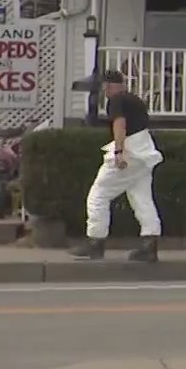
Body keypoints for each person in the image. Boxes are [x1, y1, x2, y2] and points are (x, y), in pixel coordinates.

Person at [70, 69, 163, 263]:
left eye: (104, 87)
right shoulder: (135, 100)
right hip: (145, 152)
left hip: (129, 151)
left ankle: (95, 242)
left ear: (108, 85)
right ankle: (150, 245)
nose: (104, 91)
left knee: (99, 194)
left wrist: (119, 152)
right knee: (142, 198)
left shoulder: (117, 101)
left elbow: (120, 124)